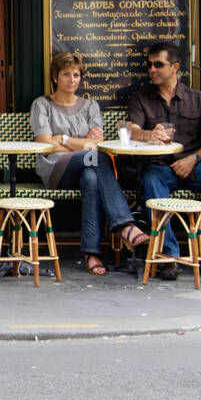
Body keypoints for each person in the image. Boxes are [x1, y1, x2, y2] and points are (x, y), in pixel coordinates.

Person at [126, 41, 201, 281]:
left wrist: (193, 159)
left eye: (158, 64)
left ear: (175, 67)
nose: (152, 69)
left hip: (196, 166)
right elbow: (131, 130)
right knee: (151, 183)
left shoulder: (196, 98)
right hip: (161, 168)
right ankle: (169, 256)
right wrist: (149, 135)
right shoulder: (141, 98)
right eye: (149, 65)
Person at [30, 52, 148, 275]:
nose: (71, 79)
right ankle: (124, 224)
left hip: (86, 167)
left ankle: (91, 253)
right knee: (97, 158)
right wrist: (82, 144)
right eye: (66, 74)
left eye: (76, 75)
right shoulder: (42, 104)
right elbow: (46, 145)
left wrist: (63, 139)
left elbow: (95, 144)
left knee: (92, 175)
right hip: (54, 169)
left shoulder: (90, 106)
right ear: (55, 77)